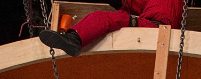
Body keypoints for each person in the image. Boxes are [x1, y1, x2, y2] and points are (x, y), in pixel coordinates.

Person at [40, 0, 186, 57]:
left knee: (109, 18)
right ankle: (73, 39)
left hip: (156, 29)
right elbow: (136, 4)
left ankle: (74, 39)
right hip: (154, 28)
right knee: (117, 17)